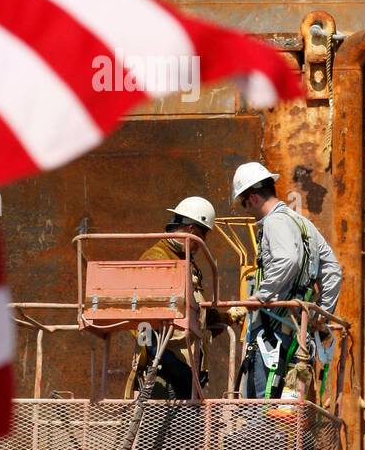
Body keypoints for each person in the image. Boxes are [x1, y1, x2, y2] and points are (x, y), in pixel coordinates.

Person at [230, 162, 342, 401]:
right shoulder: (305, 225)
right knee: (288, 410)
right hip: (299, 334)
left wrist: (261, 296)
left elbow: (288, 260)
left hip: (272, 333)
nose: (246, 209)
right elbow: (333, 270)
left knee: (261, 407)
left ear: (252, 197)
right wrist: (321, 315)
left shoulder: (273, 222)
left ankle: (260, 437)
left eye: (243, 203)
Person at [124, 197, 227, 399]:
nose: (202, 243)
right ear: (190, 229)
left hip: (185, 370)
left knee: (187, 428)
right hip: (165, 370)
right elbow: (140, 318)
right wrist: (166, 361)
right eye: (202, 234)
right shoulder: (157, 259)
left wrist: (227, 317)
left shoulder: (182, 259)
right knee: (159, 429)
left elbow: (194, 307)